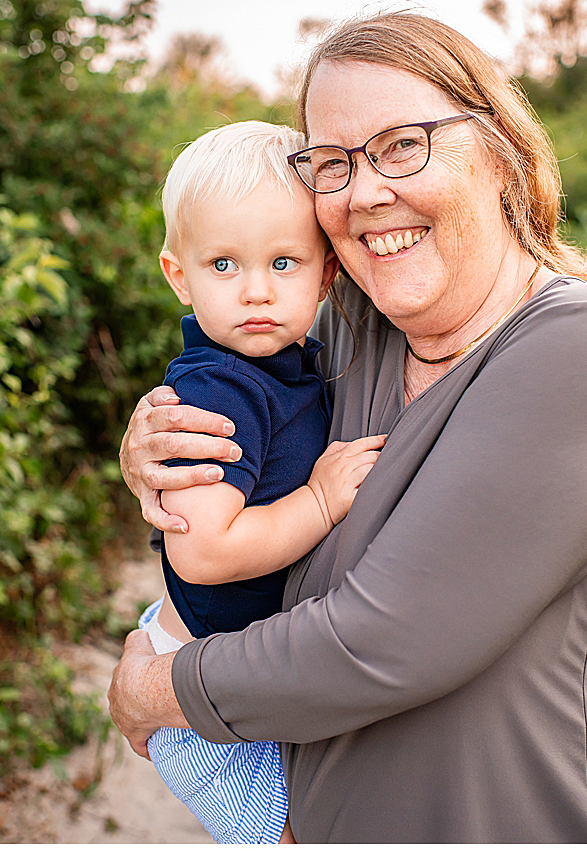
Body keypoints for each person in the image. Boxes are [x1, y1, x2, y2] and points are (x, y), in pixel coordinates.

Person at [108, 11, 587, 842]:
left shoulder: (585, 345)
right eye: (333, 163)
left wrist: (157, 689)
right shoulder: (348, 333)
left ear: (497, 149)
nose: (363, 192)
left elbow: (382, 640)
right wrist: (154, 444)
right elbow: (240, 415)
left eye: (401, 145)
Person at [137, 120, 385, 843]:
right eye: (223, 265)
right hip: (201, 706)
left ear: (326, 272)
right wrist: (316, 500)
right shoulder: (220, 388)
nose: (255, 292)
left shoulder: (284, 363)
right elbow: (202, 551)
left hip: (223, 670)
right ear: (178, 275)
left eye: (284, 263)